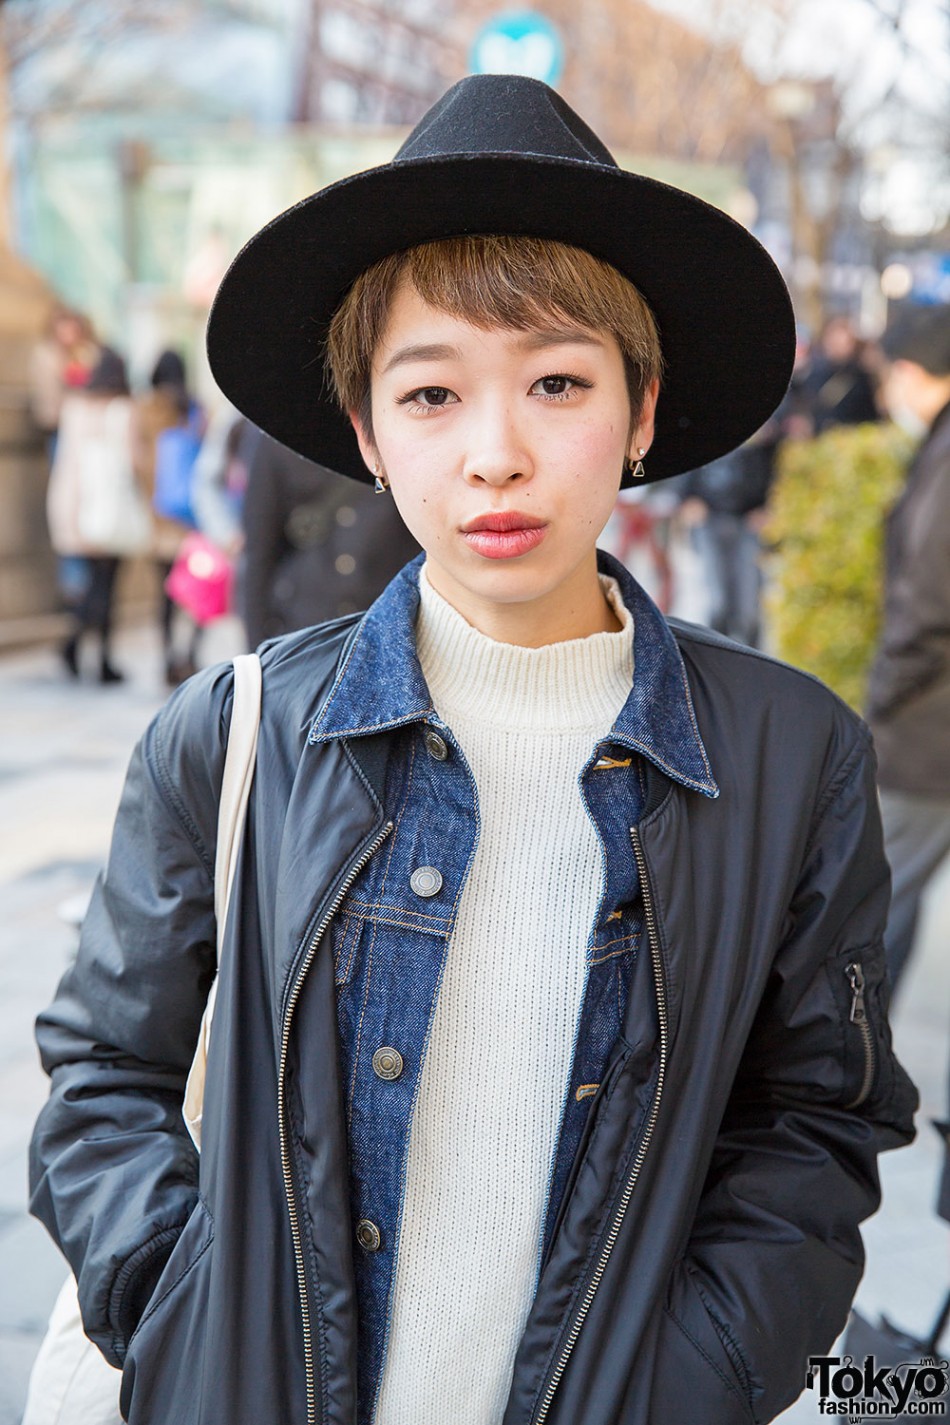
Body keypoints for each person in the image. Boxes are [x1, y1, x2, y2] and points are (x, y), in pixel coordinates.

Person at [29, 75, 916, 1425]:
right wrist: (184, 1314)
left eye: (556, 381)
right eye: (431, 394)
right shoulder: (237, 734)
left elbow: (813, 1118)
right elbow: (108, 1072)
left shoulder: (790, 757)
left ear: (640, 412)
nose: (494, 455)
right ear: (367, 438)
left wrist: (700, 1375)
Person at [865, 305, 950, 992]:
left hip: (929, 728)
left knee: (873, 910)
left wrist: (881, 698)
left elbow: (928, 601)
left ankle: (849, 1080)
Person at [240, 428, 420, 646]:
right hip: (307, 633)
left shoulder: (394, 430)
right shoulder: (275, 440)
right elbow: (259, 553)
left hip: (392, 627)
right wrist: (258, 657)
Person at [45, 348, 147, 683]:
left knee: (89, 584)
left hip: (75, 505)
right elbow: (134, 461)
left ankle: (73, 646)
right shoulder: (124, 409)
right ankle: (100, 658)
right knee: (106, 586)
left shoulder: (74, 408)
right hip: (111, 509)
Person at [133, 349, 208, 685]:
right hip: (193, 520)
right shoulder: (197, 408)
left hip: (159, 518)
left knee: (165, 594)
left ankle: (166, 658)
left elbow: (136, 461)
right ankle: (189, 654)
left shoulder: (145, 409)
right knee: (198, 590)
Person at [793, 313, 880, 436]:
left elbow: (869, 414)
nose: (837, 344)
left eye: (842, 340)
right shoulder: (816, 374)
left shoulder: (860, 376)